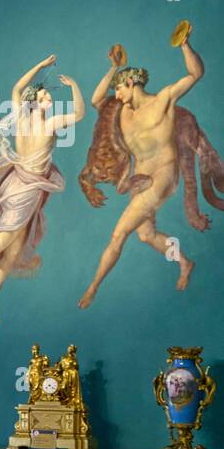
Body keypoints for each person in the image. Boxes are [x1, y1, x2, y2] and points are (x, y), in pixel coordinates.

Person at [78, 31, 206, 307]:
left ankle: (93, 288)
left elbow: (195, 73)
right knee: (145, 234)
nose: (116, 93)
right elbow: (94, 100)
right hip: (141, 179)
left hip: (164, 173)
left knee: (119, 233)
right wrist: (113, 67)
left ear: (131, 82)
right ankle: (185, 262)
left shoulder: (163, 100)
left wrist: (184, 45)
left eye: (119, 87)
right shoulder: (122, 112)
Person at [0, 55, 85, 323]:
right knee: (2, 244)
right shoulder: (49, 123)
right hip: (26, 190)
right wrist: (73, 86)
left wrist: (39, 67)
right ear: (35, 102)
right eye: (46, 97)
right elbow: (80, 113)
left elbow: (15, 89)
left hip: (24, 185)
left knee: (12, 253)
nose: (50, 99)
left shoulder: (22, 120)